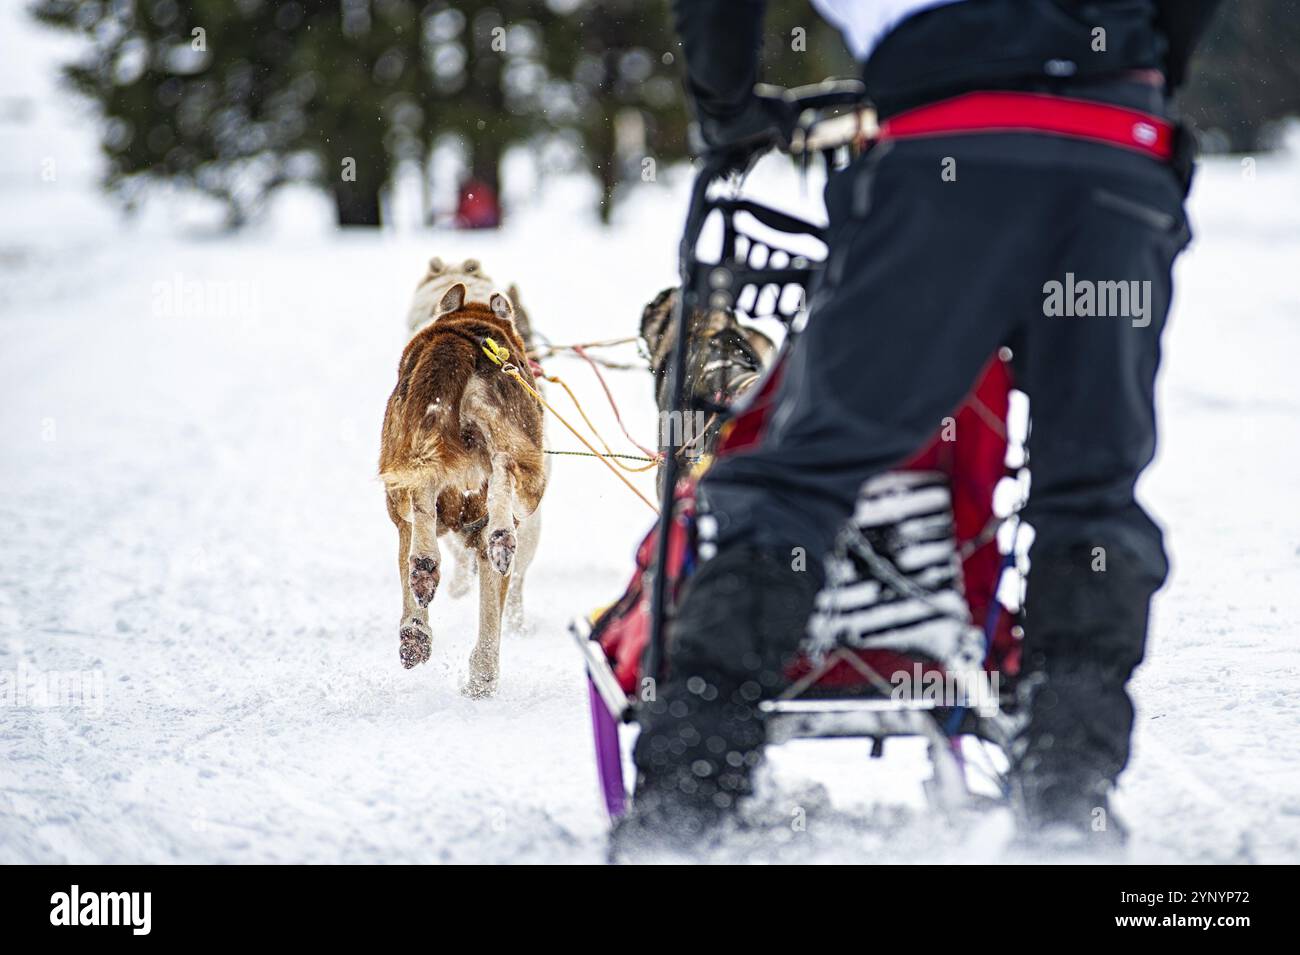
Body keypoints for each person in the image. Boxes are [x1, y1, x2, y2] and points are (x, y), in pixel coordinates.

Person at [618, 0, 1223, 852]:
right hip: (1115, 152)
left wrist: (727, 106)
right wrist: (1140, 69)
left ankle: (687, 799)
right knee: (1090, 491)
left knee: (795, 476)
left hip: (947, 141)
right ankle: (1067, 794)